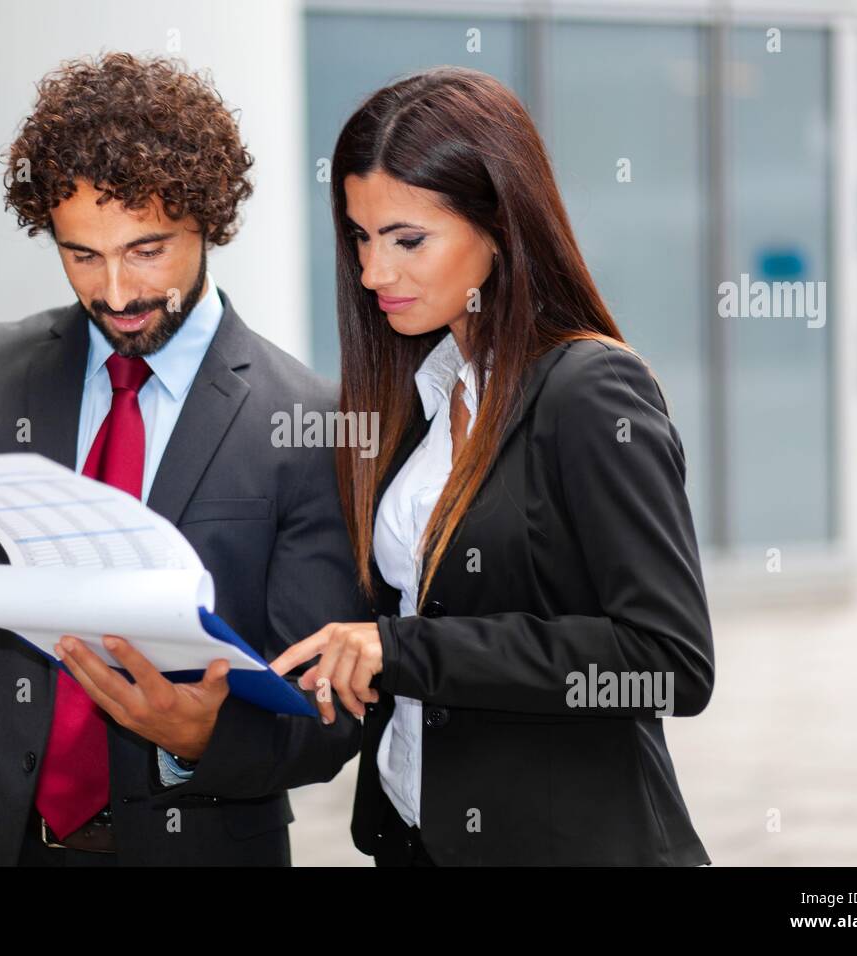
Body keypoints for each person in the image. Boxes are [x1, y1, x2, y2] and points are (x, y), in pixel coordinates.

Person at [0, 52, 363, 866]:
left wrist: (204, 737)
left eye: (147, 250)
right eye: (82, 255)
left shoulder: (308, 420)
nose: (115, 292)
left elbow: (326, 713)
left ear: (210, 218)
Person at [273, 66, 715, 866]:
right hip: (413, 839)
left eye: (408, 239)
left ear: (502, 227)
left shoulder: (589, 392)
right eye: (360, 238)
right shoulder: (422, 395)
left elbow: (669, 665)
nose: (374, 273)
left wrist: (404, 651)